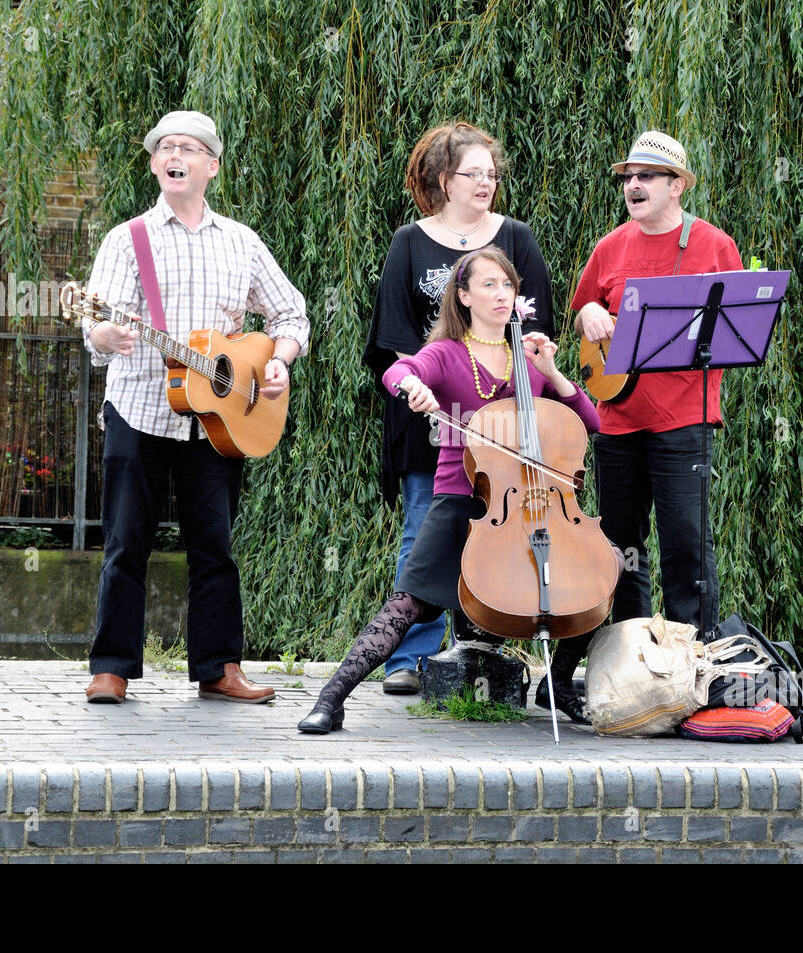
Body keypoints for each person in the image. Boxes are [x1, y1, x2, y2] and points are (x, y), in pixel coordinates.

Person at [301, 246, 600, 733]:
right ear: (462, 296)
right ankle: (332, 696)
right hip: (460, 498)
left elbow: (591, 423)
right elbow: (396, 371)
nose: (502, 294)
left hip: (529, 506)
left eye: (508, 286)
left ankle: (559, 684)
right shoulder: (446, 353)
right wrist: (411, 389)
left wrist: (552, 374)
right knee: (408, 603)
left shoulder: (526, 359)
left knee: (597, 576)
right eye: (489, 285)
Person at [81, 110, 309, 704]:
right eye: (163, 148)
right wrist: (102, 336)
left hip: (220, 419)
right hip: (138, 408)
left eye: (187, 147)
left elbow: (291, 313)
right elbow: (94, 319)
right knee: (127, 542)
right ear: (156, 165)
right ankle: (111, 668)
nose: (173, 155)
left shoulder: (241, 241)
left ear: (212, 165)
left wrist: (278, 359)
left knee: (215, 547)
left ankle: (218, 667)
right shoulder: (127, 239)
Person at [362, 122, 555, 695]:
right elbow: (396, 338)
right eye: (474, 173)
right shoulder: (411, 242)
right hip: (430, 415)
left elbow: (534, 328)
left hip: (500, 418)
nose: (486, 183)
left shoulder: (515, 237)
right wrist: (429, 388)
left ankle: (474, 655)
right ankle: (408, 660)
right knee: (425, 530)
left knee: (493, 531)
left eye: (492, 174)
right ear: (444, 180)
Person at [572, 131, 743, 637]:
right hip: (617, 421)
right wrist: (589, 315)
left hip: (683, 420)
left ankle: (695, 660)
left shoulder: (714, 245)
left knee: (686, 543)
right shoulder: (610, 246)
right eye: (629, 176)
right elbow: (582, 308)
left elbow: (737, 327)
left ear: (677, 186)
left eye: (647, 175)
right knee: (621, 544)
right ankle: (632, 655)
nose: (634, 184)